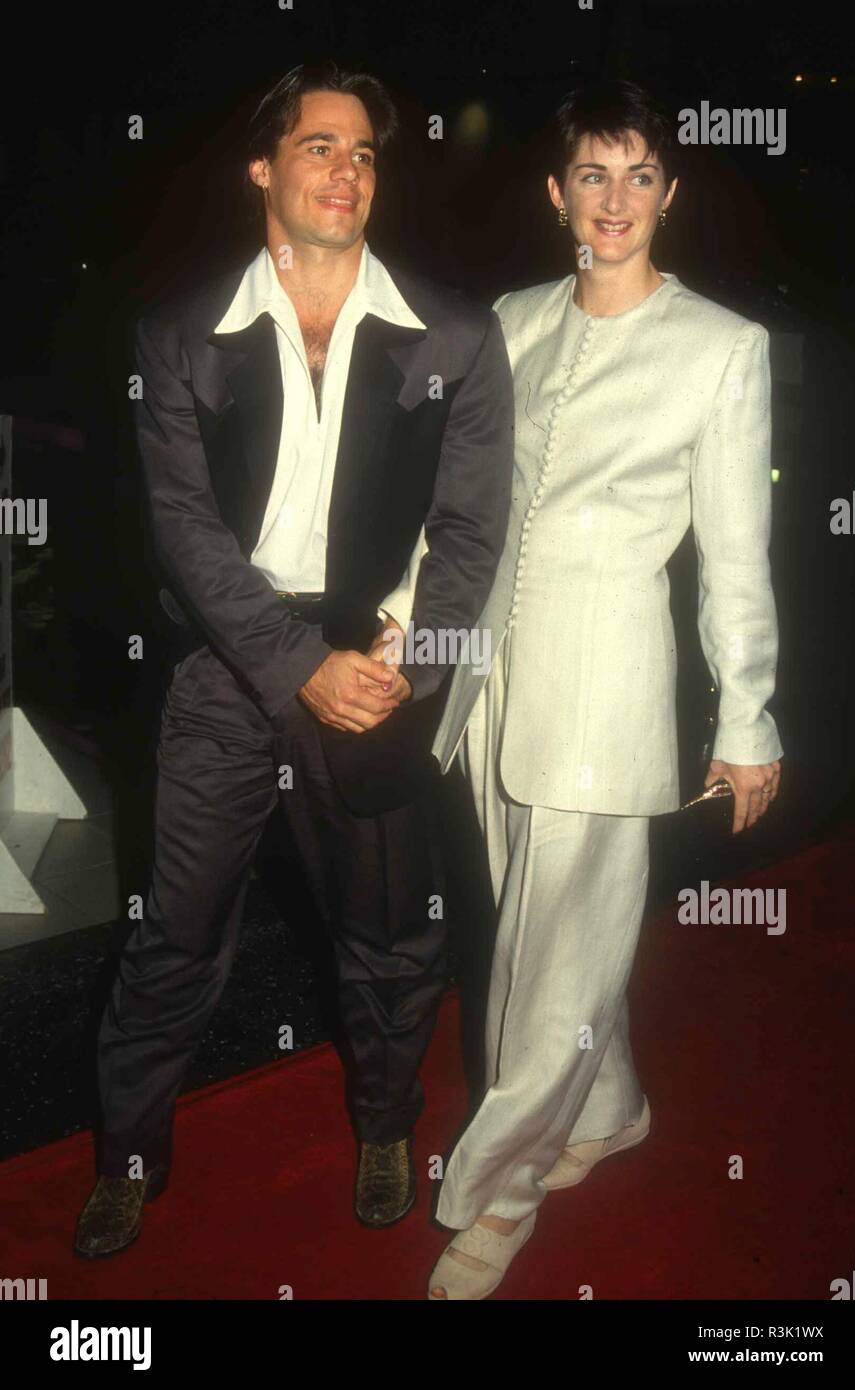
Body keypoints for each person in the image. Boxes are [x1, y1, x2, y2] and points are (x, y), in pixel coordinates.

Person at [74, 61, 513, 1258]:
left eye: (366, 151)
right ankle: (126, 1153)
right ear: (263, 167)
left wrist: (408, 665)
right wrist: (290, 661)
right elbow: (185, 534)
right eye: (320, 147)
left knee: (389, 936)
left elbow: (474, 530)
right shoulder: (177, 336)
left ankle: (384, 1121)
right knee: (174, 934)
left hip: (376, 665)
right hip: (228, 664)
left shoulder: (455, 334)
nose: (348, 170)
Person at [425, 79, 783, 1298]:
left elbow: (737, 555)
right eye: (593, 174)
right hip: (492, 684)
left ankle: (496, 1191)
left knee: (543, 969)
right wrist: (401, 630)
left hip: (608, 691)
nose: (615, 199)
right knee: (557, 939)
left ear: (670, 192)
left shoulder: (724, 348)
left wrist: (748, 717)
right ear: (556, 192)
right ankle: (613, 1104)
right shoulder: (511, 318)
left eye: (639, 176)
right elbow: (461, 510)